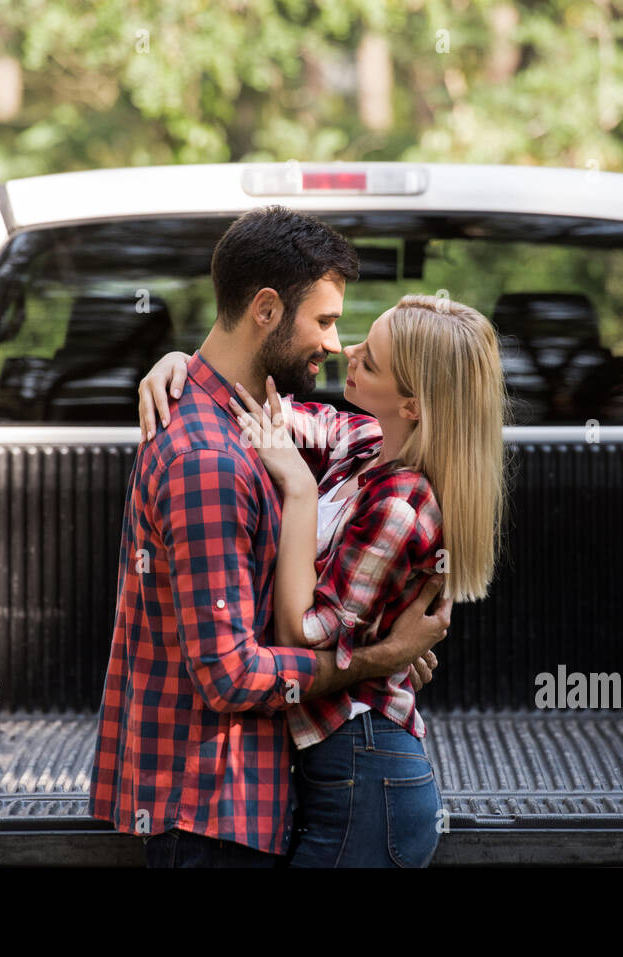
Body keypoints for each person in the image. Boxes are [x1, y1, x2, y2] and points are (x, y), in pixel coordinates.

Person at [88, 206, 452, 868]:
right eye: (326, 320)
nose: (336, 344)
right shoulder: (211, 458)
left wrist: (177, 358)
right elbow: (230, 676)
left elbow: (385, 448)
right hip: (210, 811)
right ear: (265, 310)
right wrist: (379, 657)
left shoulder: (254, 425)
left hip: (241, 803)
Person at [138, 293, 507, 866]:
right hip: (334, 771)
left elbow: (302, 635)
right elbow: (253, 407)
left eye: (372, 360)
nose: (346, 351)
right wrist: (178, 363)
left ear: (411, 404)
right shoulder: (362, 440)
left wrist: (302, 491)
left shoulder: (402, 502)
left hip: (367, 773)